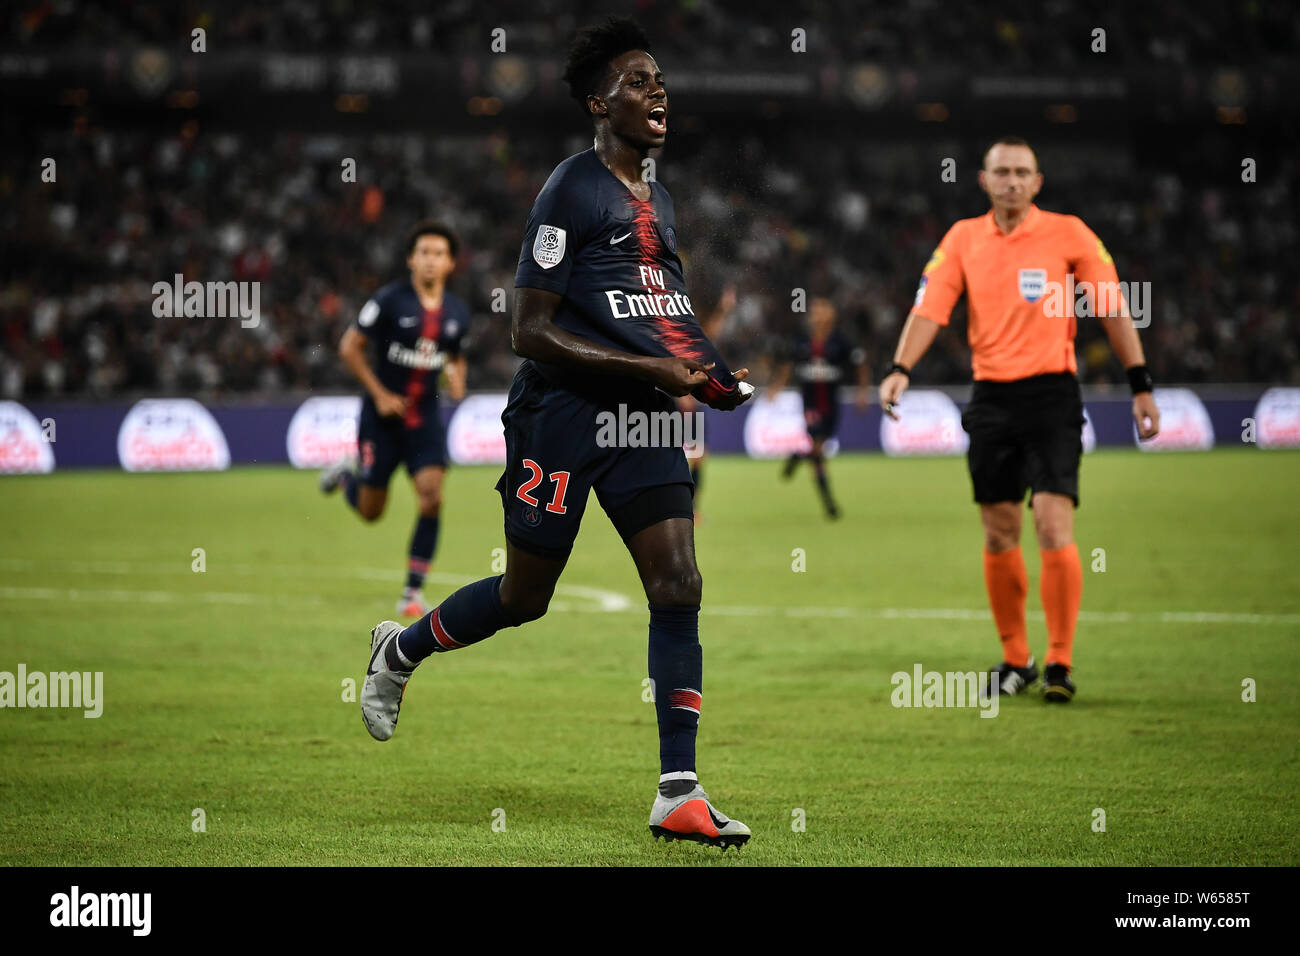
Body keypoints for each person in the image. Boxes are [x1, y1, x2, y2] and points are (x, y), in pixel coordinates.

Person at [359, 18, 754, 849]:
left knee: (678, 582)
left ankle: (677, 791)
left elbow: (668, 319)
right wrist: (652, 372)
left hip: (641, 418)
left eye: (660, 80)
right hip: (561, 416)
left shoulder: (662, 199)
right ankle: (401, 651)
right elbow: (528, 333)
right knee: (523, 597)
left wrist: (711, 376)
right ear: (597, 101)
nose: (657, 94)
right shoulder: (570, 190)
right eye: (638, 82)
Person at [878, 136, 1160, 702]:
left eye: (1021, 172)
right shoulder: (963, 239)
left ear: (1037, 181)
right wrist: (900, 366)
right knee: (999, 530)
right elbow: (931, 307)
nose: (1011, 180)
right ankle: (1015, 660)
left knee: (1053, 525)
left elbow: (1111, 307)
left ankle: (1059, 662)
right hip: (992, 401)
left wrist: (1141, 385)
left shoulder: (1070, 233)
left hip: (1053, 397)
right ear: (983, 180)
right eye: (1001, 171)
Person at [321, 222, 468, 618]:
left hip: (424, 420)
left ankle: (412, 592)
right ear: (411, 259)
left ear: (450, 263)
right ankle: (346, 477)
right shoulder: (389, 301)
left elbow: (454, 355)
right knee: (372, 512)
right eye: (423, 252)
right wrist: (381, 394)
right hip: (381, 419)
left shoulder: (457, 313)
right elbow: (350, 346)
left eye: (439, 253)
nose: (430, 260)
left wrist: (457, 380)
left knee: (432, 496)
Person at [767, 296, 869, 518]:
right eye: (814, 310)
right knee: (818, 448)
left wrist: (862, 392)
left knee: (818, 449)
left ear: (832, 314)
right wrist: (777, 386)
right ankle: (830, 505)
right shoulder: (801, 341)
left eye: (822, 310)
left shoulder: (841, 340)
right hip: (811, 402)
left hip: (832, 402)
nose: (817, 315)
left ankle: (797, 457)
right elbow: (788, 364)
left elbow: (860, 363)